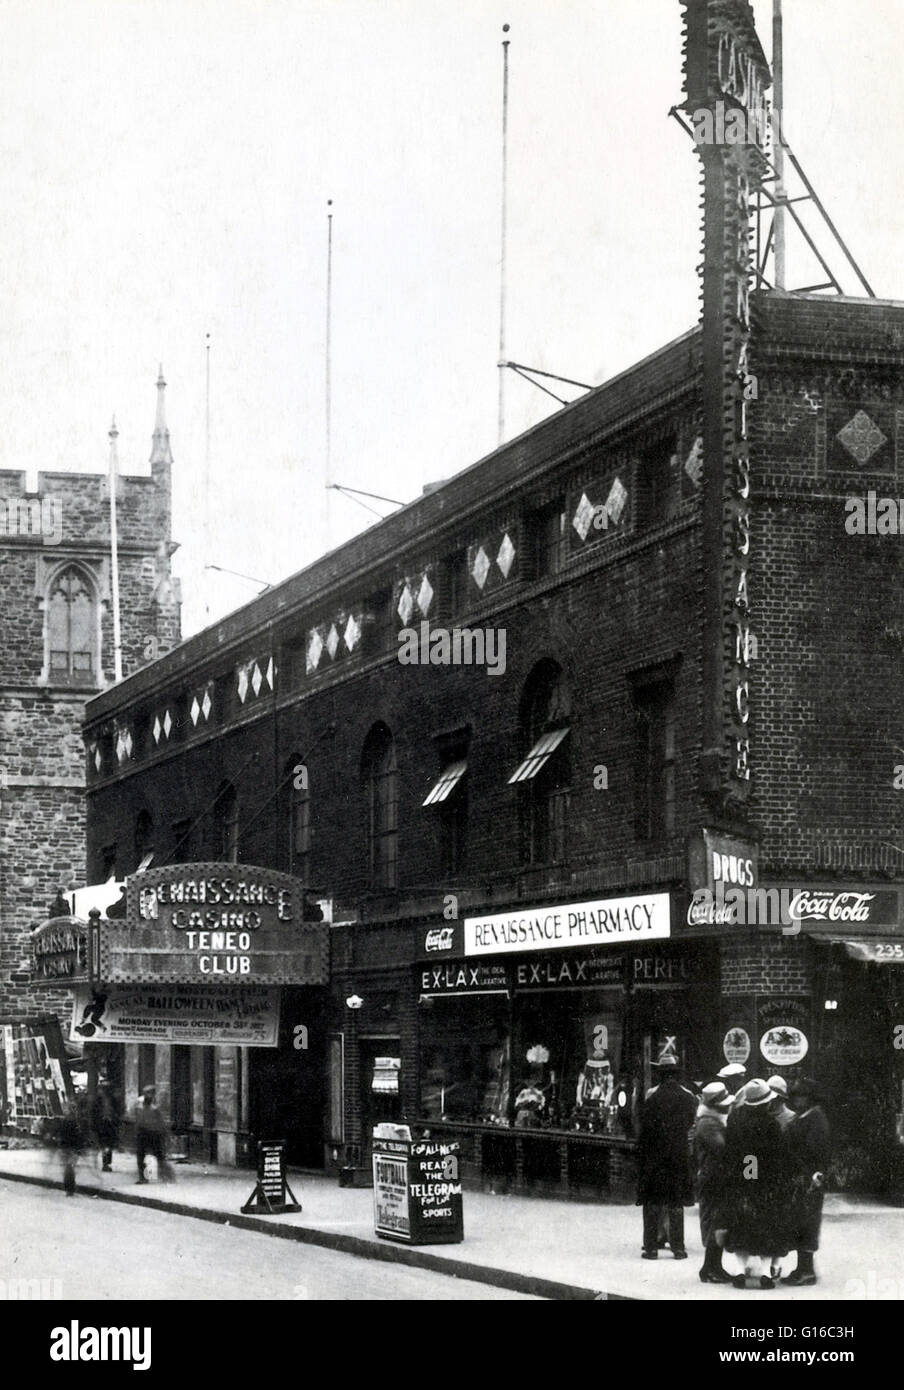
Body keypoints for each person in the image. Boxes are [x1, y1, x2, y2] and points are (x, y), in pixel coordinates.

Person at [722, 1078, 791, 1288]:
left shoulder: (735, 1120)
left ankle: (740, 1271)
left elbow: (729, 1151)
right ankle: (765, 1273)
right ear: (765, 1102)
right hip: (764, 1183)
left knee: (740, 1223)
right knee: (766, 1224)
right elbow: (778, 1157)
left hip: (740, 1180)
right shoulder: (771, 1124)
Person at [636, 1056, 697, 1260]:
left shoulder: (652, 1097)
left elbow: (644, 1130)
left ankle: (651, 1247)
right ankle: (678, 1248)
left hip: (655, 1157)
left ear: (660, 1075)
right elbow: (691, 1126)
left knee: (653, 1201)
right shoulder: (689, 1097)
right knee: (676, 1202)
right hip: (678, 1156)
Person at [783, 1077, 830, 1287]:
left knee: (808, 1223)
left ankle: (807, 1270)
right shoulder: (805, 1117)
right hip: (801, 1177)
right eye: (796, 1096)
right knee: (800, 1222)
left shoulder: (816, 1118)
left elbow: (814, 1151)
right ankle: (801, 1268)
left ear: (809, 1098)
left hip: (810, 1178)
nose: (797, 1100)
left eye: (801, 1096)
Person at [694, 1081, 733, 1283]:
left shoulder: (713, 1121)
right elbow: (722, 1148)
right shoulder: (708, 1124)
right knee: (713, 1221)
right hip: (711, 1178)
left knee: (719, 1222)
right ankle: (709, 1268)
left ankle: (714, 1266)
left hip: (716, 1176)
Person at [134, 1085, 174, 1183]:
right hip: (144, 1133)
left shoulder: (154, 1108)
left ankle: (166, 1175)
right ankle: (144, 1177)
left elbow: (160, 1123)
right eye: (146, 1093)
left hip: (152, 1133)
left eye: (149, 1093)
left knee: (157, 1156)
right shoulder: (141, 1106)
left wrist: (163, 1133)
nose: (148, 1096)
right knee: (142, 1156)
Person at [90, 1079, 122, 1172]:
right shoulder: (97, 1101)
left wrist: (117, 1121)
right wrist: (93, 1125)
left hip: (110, 1125)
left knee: (109, 1145)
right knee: (104, 1145)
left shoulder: (113, 1100)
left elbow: (118, 1111)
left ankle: (107, 1163)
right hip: (101, 1125)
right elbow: (93, 1113)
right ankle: (105, 1163)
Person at [57, 1099, 84, 1197]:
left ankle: (69, 1188)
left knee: (68, 1168)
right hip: (72, 1148)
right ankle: (70, 1188)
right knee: (70, 1168)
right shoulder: (75, 1122)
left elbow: (60, 1134)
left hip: (66, 1148)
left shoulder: (65, 1121)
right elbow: (79, 1136)